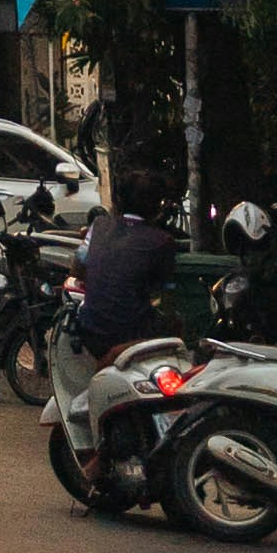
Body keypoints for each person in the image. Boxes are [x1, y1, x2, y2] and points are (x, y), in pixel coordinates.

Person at [63, 162, 182, 397]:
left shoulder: (99, 226)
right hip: (131, 335)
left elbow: (78, 268)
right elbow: (166, 298)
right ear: (157, 205)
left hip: (91, 332)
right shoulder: (162, 242)